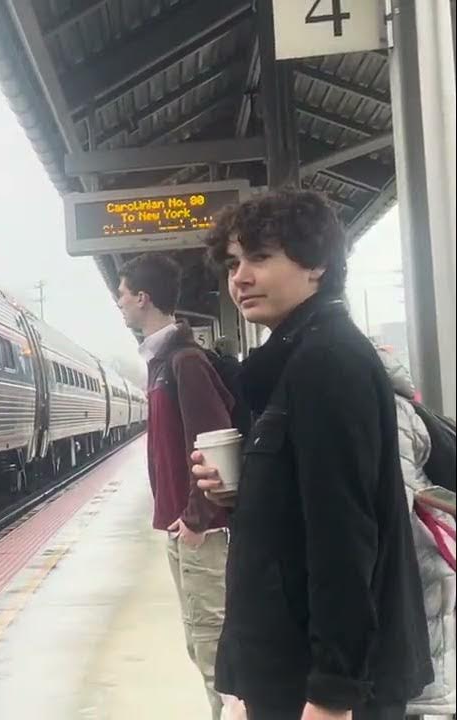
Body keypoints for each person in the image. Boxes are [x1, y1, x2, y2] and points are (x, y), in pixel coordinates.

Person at [192, 189, 432, 720]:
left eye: (260, 258)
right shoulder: (298, 357)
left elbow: (345, 535)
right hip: (287, 663)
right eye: (234, 263)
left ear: (317, 264)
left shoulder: (326, 363)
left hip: (313, 679)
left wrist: (330, 693)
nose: (240, 278)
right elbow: (303, 506)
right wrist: (242, 490)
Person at [115, 253, 236, 719]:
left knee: (213, 652)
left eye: (123, 294)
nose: (120, 303)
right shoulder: (162, 361)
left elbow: (214, 443)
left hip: (200, 533)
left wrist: (196, 518)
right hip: (183, 528)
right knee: (199, 642)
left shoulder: (183, 361)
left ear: (143, 299)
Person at [375, 346, 456, 718]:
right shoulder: (395, 403)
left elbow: (396, 503)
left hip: (420, 565)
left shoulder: (388, 409)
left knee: (413, 694)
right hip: (423, 562)